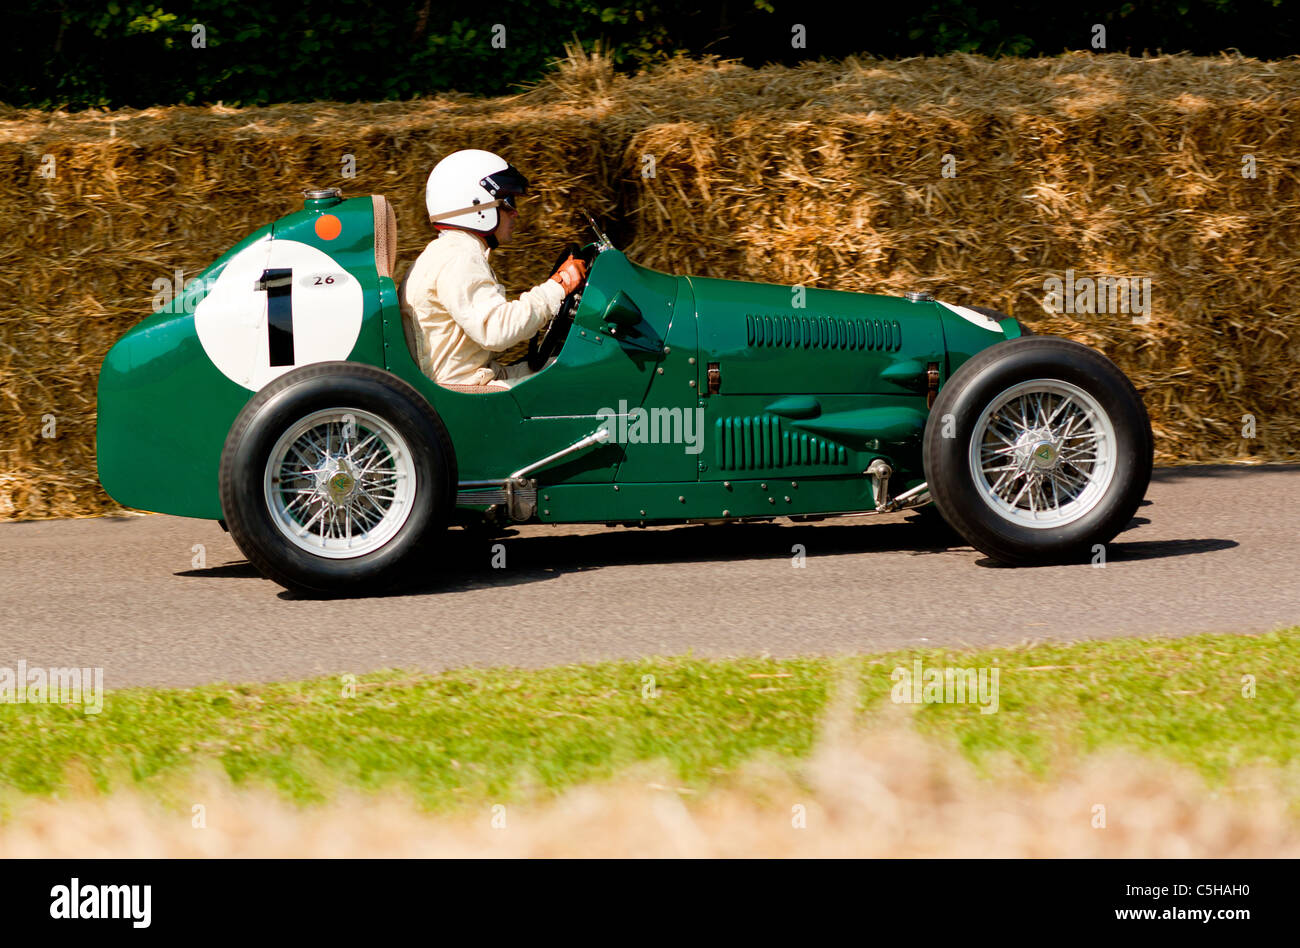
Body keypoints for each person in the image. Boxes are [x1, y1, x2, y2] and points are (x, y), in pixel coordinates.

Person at [399, 149, 587, 388]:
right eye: (508, 202)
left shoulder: (448, 251)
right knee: (584, 381)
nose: (515, 212)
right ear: (477, 206)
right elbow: (497, 331)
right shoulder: (459, 259)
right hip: (464, 392)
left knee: (576, 363)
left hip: (473, 376)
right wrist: (559, 286)